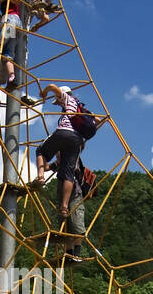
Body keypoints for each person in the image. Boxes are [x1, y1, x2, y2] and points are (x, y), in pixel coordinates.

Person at [34, 85, 107, 220]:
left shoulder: (68, 99)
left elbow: (52, 86)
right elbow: (99, 120)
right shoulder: (83, 110)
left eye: (57, 100)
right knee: (68, 173)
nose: (58, 102)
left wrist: (44, 93)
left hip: (64, 133)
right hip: (76, 140)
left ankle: (40, 177)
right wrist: (85, 135)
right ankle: (64, 207)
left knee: (41, 150)